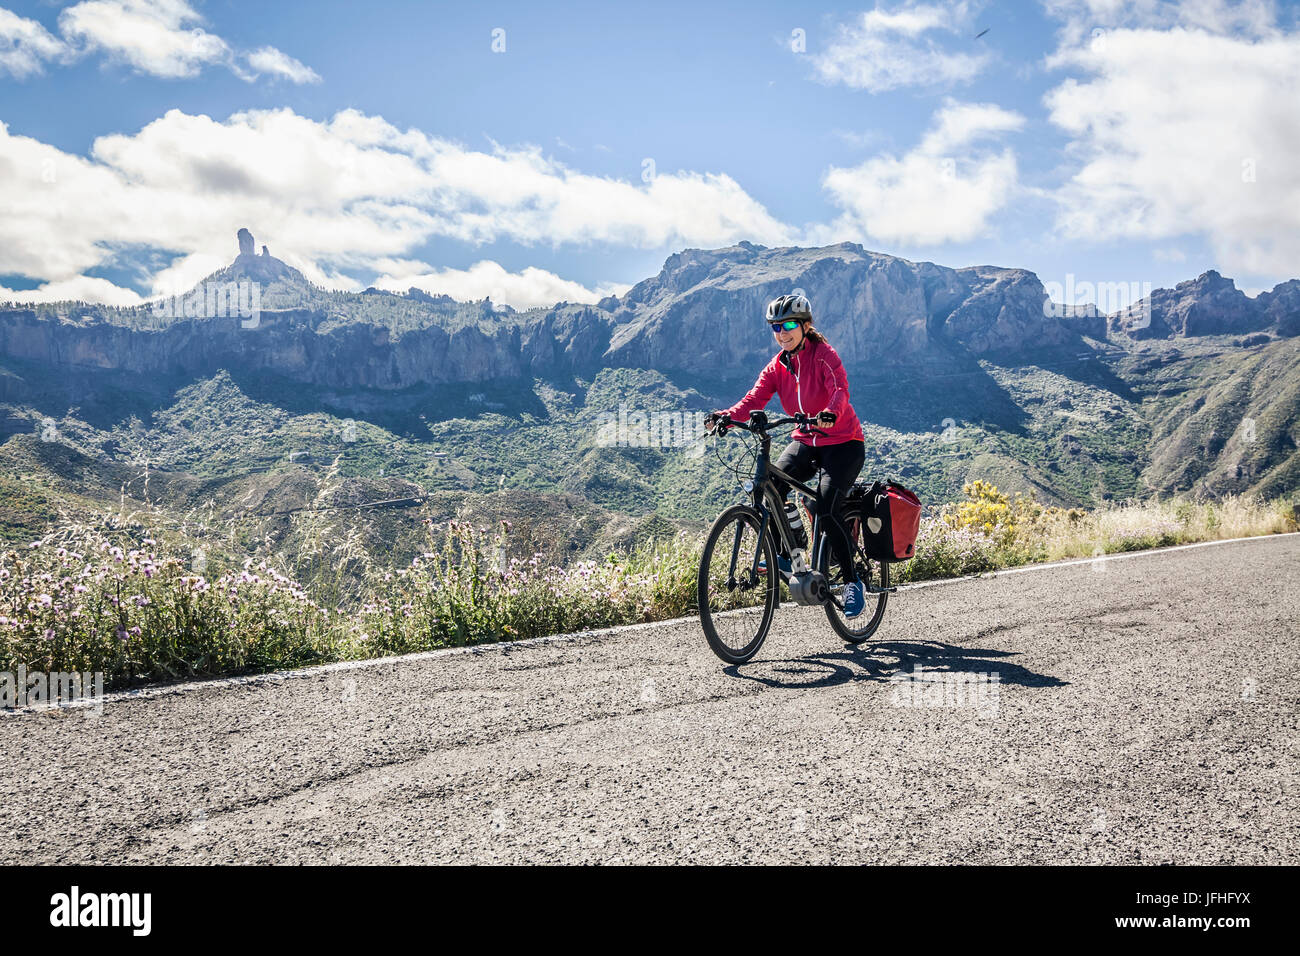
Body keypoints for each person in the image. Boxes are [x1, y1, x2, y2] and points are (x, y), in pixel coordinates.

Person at [705, 293, 867, 617]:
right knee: (773, 486)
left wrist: (830, 412)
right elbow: (754, 398)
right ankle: (785, 553)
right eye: (776, 326)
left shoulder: (824, 355)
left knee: (825, 505)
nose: (782, 332)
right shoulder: (778, 365)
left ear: (806, 326)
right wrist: (726, 416)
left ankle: (852, 583)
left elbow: (840, 390)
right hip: (806, 439)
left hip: (843, 442)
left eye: (789, 324)